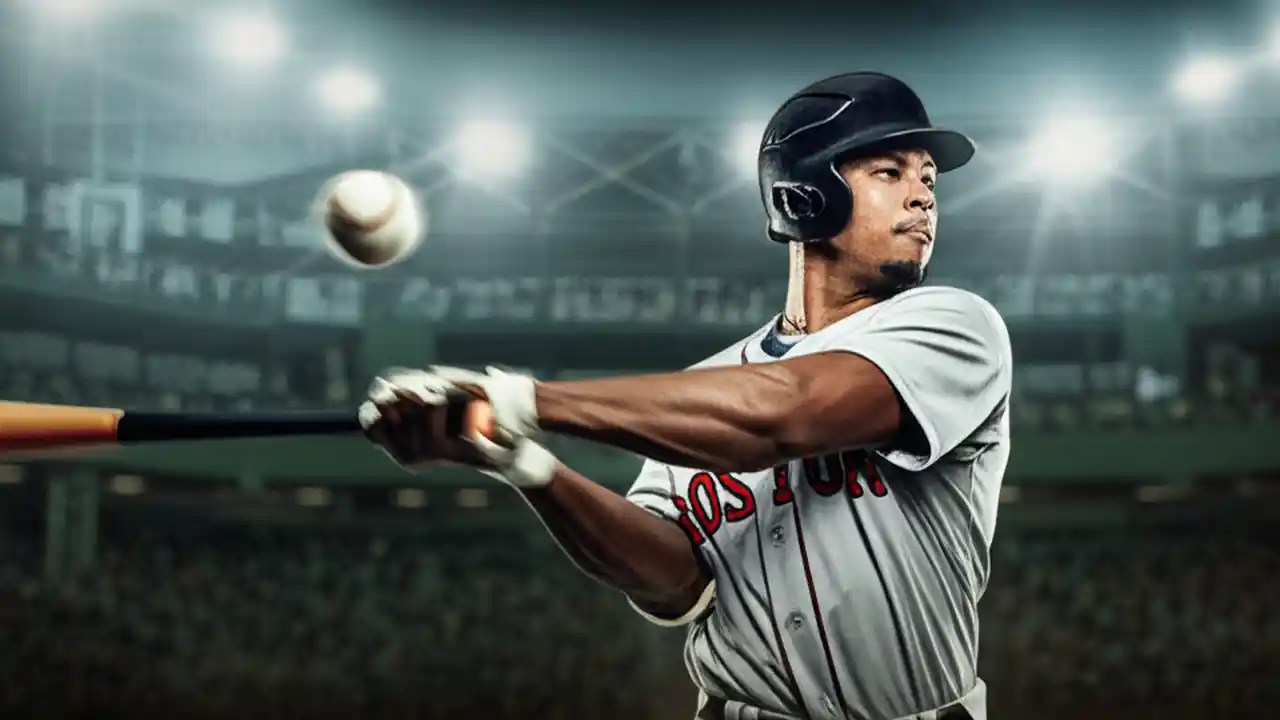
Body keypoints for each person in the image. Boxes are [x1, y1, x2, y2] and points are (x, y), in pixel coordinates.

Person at [361, 72, 1012, 720]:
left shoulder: (954, 327)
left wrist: (524, 400)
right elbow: (675, 586)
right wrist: (524, 465)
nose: (925, 198)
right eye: (890, 173)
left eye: (929, 179)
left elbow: (784, 414)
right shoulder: (700, 397)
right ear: (807, 194)